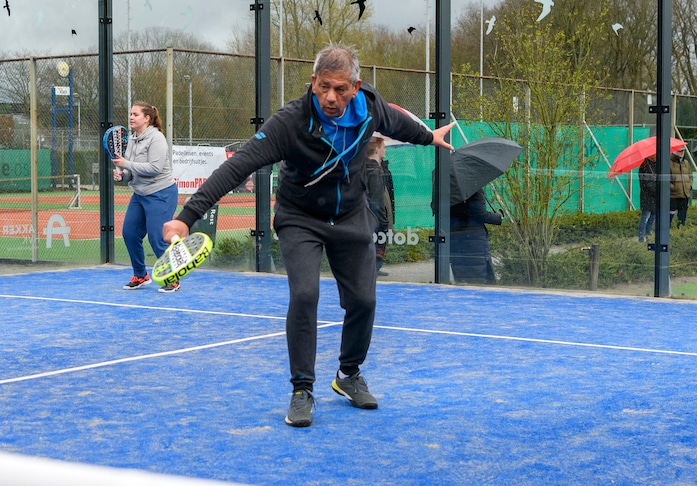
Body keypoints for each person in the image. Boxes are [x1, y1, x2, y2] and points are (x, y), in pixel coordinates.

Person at [161, 44, 454, 428]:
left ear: (355, 86)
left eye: (340, 89)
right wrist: (187, 217)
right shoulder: (289, 122)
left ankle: (348, 375)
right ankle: (302, 389)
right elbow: (239, 167)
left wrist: (428, 136)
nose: (331, 97)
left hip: (349, 215)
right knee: (304, 294)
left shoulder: (369, 107)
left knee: (364, 300)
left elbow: (398, 121)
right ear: (313, 82)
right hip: (299, 216)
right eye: (323, 87)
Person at [113, 102, 181, 292]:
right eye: (130, 114)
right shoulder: (132, 140)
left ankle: (173, 278)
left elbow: (154, 168)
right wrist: (123, 175)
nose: (131, 117)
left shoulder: (157, 139)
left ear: (147, 118)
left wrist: (126, 163)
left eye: (135, 114)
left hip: (161, 193)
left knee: (157, 238)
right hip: (140, 194)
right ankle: (141, 275)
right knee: (129, 233)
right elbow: (131, 171)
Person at [449, 190, 501, 283]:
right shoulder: (473, 186)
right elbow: (479, 213)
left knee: (461, 281)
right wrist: (498, 218)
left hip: (455, 238)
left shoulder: (446, 185)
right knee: (479, 282)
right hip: (474, 242)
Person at [364, 134, 395, 277]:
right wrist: (384, 223)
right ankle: (373, 267)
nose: (386, 150)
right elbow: (376, 200)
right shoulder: (373, 171)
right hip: (374, 220)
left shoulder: (365, 168)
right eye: (383, 147)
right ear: (376, 149)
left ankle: (372, 267)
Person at [669, 148, 693, 227]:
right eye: (680, 151)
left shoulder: (686, 163)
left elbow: (690, 176)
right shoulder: (669, 162)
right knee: (670, 215)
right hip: (673, 195)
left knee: (682, 216)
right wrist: (673, 187)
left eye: (683, 151)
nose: (682, 152)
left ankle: (680, 230)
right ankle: (667, 230)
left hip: (684, 194)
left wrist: (689, 185)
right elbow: (666, 179)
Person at [637, 156, 657, 242]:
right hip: (647, 197)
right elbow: (647, 184)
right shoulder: (644, 167)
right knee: (645, 217)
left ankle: (649, 235)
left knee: (652, 218)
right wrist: (656, 190)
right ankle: (641, 237)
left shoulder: (656, 165)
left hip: (654, 198)